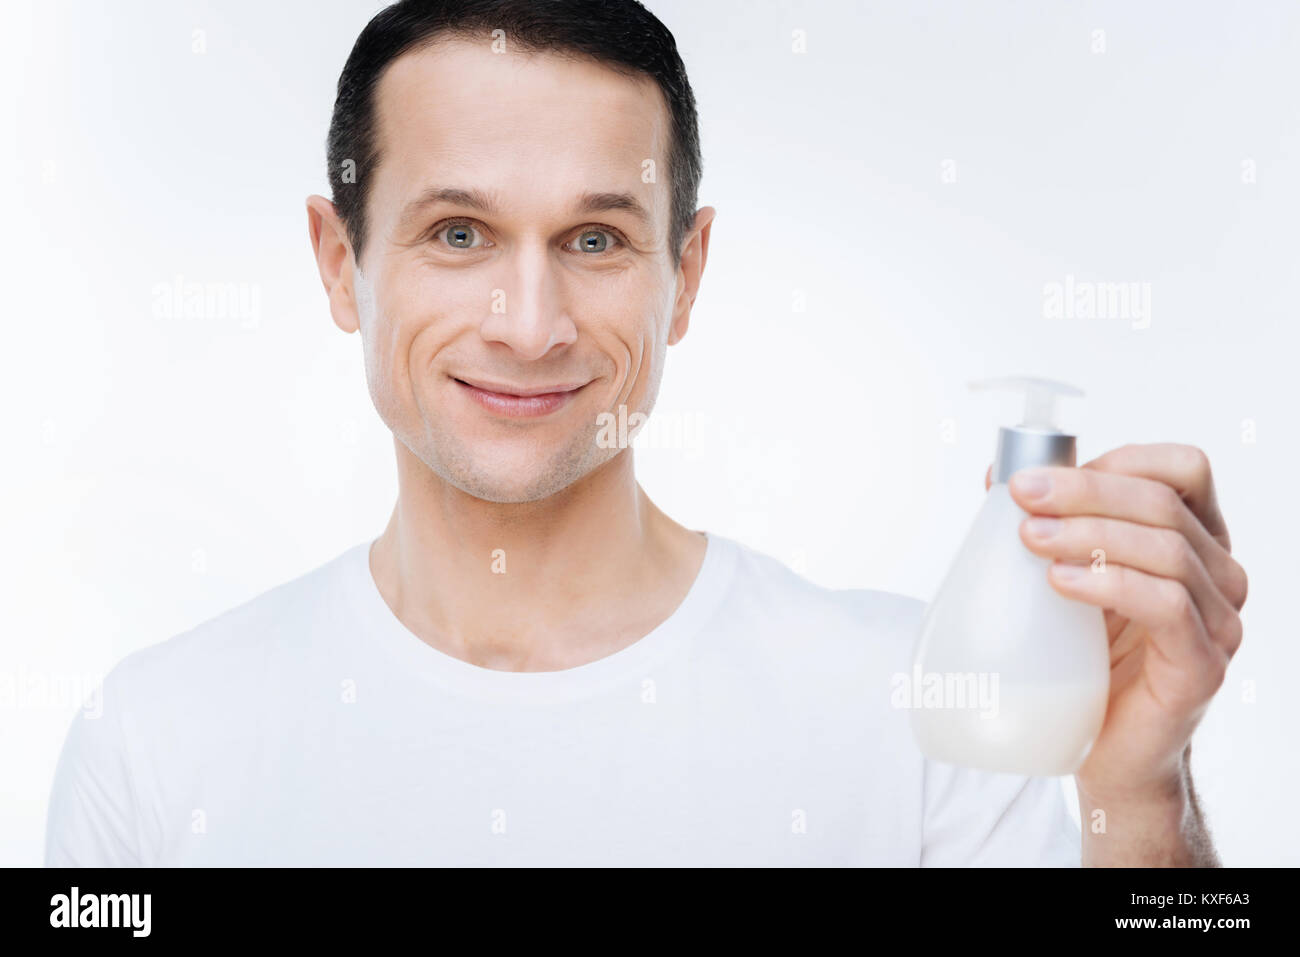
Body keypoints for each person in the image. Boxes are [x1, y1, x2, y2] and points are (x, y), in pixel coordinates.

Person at [45, 0, 1247, 867]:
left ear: (687, 270)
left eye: (596, 239)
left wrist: (1138, 799)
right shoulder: (156, 747)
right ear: (338, 263)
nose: (530, 326)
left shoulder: (917, 710)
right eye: (458, 233)